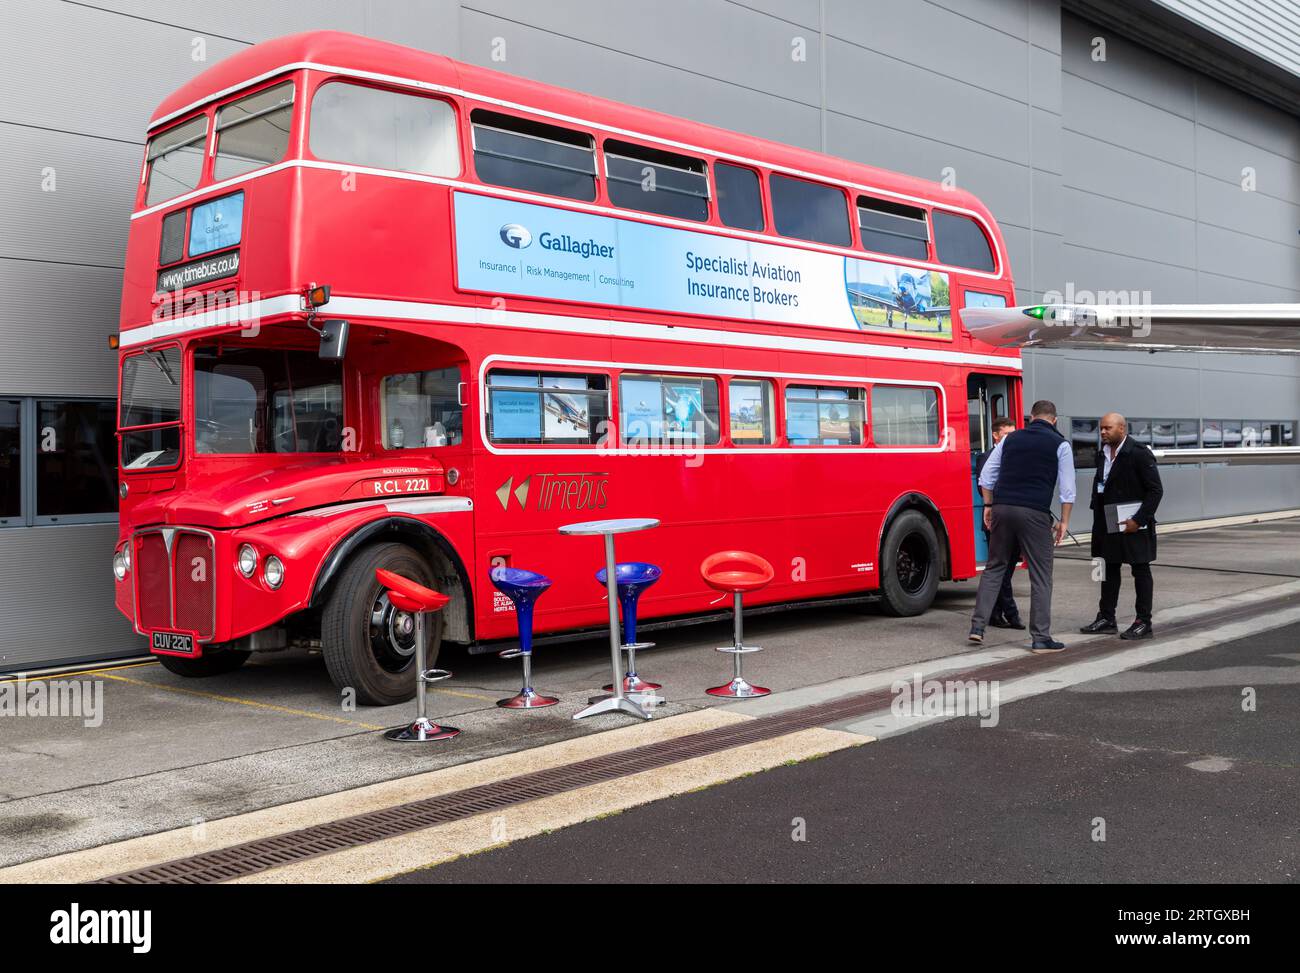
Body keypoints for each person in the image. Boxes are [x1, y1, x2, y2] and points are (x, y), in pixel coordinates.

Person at [969, 399, 1075, 653]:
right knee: (1040, 575)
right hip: (1034, 512)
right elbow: (1067, 490)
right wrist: (1064, 521)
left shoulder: (1010, 439)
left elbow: (986, 476)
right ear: (1054, 419)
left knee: (995, 567)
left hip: (1003, 508)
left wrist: (988, 506)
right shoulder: (1060, 444)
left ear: (1030, 416)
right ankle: (1040, 637)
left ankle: (977, 628)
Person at [1080, 412, 1164, 639]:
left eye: (1107, 428)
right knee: (1107, 569)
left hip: (1134, 522)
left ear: (1122, 429)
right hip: (1106, 522)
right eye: (1101, 429)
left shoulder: (1138, 454)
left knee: (1140, 570)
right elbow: (1101, 485)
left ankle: (1143, 622)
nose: (1103, 432)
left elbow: (1156, 491)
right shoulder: (1102, 454)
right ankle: (1107, 617)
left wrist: (1138, 520)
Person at [975, 417, 1023, 629]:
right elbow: (983, 486)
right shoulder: (986, 457)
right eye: (1007, 435)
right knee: (1000, 568)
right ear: (996, 435)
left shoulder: (1018, 456)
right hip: (995, 517)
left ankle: (995, 613)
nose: (1011, 439)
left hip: (1015, 517)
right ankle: (1012, 613)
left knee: (1010, 566)